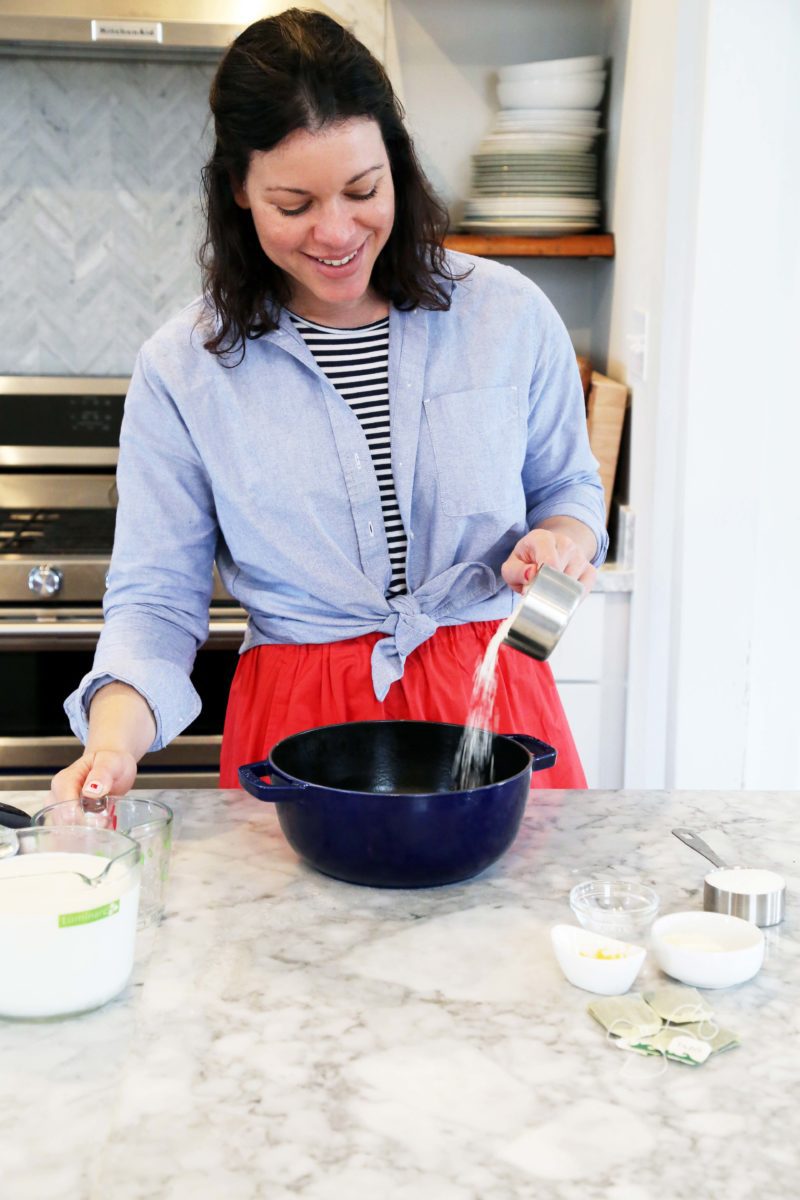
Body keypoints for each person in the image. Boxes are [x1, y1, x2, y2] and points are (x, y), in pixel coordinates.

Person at [51, 7, 607, 805]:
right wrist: (110, 745)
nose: (337, 232)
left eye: (361, 190)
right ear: (239, 191)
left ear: (397, 167)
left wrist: (558, 541)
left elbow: (570, 490)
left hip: (495, 700)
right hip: (300, 728)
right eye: (294, 204)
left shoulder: (507, 315)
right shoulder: (184, 370)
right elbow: (154, 602)